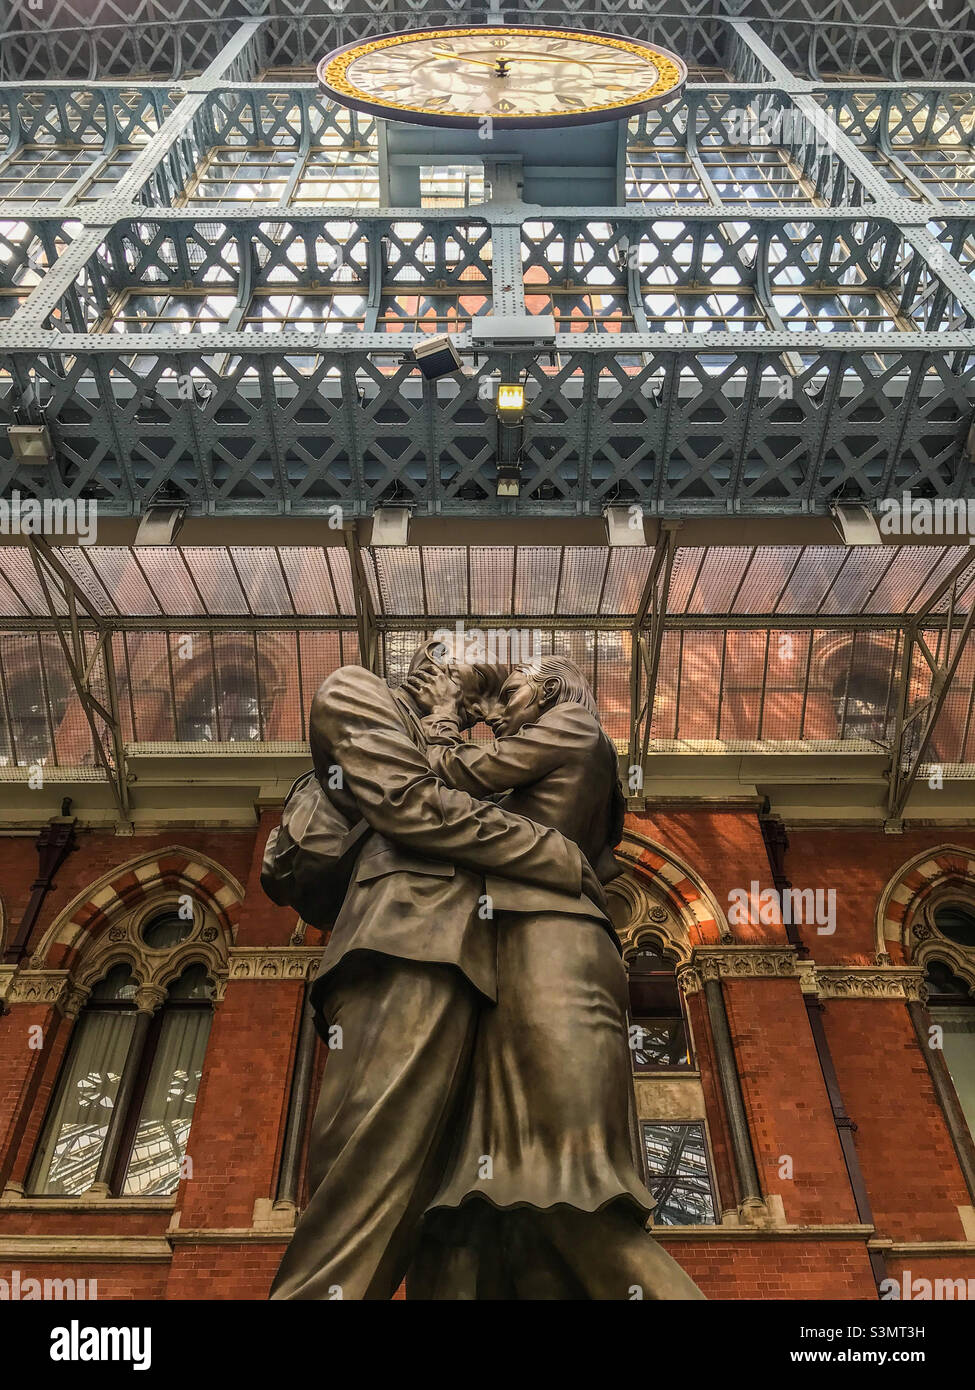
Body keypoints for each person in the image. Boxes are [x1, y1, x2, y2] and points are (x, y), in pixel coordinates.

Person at [268, 639, 609, 1300]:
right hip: (405, 949)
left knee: (456, 1216)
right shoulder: (356, 694)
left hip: (483, 971)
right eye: (476, 686)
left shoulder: (473, 746)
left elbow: (447, 798)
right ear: (429, 669)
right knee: (362, 1183)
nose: (486, 711)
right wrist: (554, 853)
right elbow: (399, 810)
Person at [402, 655, 706, 1300]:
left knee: (568, 1196)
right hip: (511, 954)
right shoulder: (550, 754)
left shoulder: (573, 726)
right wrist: (475, 702)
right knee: (484, 1213)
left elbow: (447, 779)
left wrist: (444, 716)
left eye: (511, 694)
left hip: (552, 947)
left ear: (550, 691)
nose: (500, 710)